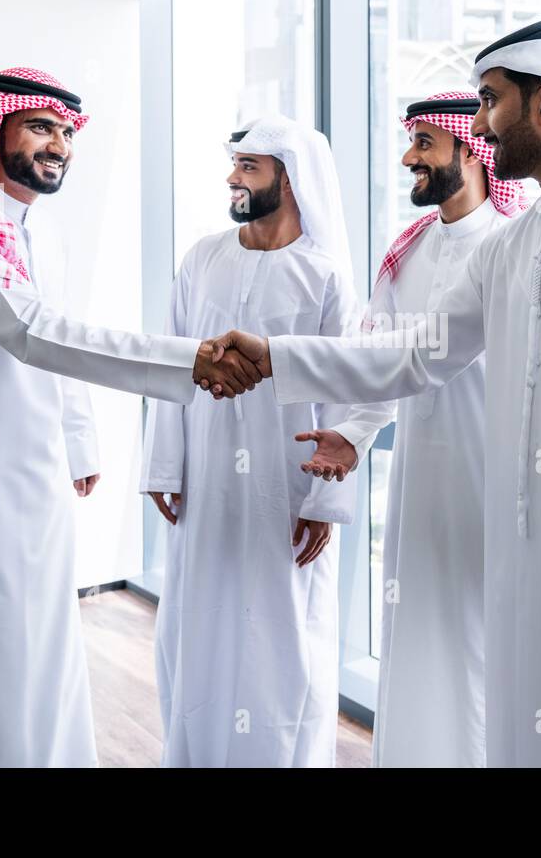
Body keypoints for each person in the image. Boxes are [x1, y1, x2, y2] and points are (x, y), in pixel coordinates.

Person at [204, 16, 541, 766]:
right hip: (519, 554)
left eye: (490, 101)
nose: (479, 125)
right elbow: (412, 355)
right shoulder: (515, 242)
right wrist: (278, 356)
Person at [0, 67, 260, 767]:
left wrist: (78, 441)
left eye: (66, 132)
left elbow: (61, 336)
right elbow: (34, 332)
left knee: (41, 647)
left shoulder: (43, 231)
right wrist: (192, 360)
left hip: (35, 480)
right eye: (41, 127)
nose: (59, 144)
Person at [297, 92, 525, 767]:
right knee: (420, 642)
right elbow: (380, 358)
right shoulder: (409, 252)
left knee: (485, 652)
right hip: (421, 481)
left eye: (425, 143)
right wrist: (355, 434)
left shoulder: (515, 244)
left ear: (471, 150)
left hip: (495, 481)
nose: (408, 157)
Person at [140, 115, 359, 767]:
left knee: (283, 639)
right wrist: (164, 465)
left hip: (285, 489)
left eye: (249, 166)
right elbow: (170, 363)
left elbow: (345, 392)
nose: (233, 177)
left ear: (288, 180)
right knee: (195, 625)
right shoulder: (203, 256)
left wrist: (323, 502)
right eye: (235, 163)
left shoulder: (325, 277)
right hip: (205, 483)